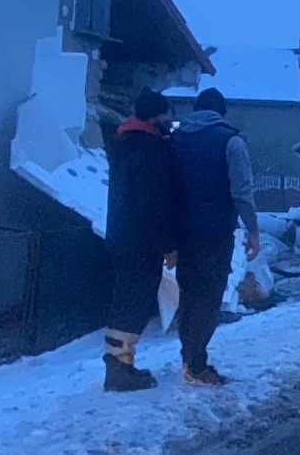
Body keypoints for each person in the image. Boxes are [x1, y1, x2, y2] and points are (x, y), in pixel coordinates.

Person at [170, 88, 261, 386]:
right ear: (221, 113)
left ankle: (189, 357)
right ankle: (196, 365)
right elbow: (242, 192)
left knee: (188, 295)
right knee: (209, 297)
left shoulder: (175, 139)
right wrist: (253, 229)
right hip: (215, 232)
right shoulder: (231, 141)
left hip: (181, 231)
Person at [103, 88, 176, 392]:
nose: (170, 121)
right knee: (136, 302)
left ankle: (120, 362)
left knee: (124, 299)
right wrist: (168, 244)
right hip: (142, 241)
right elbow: (154, 203)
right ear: (156, 117)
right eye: (167, 115)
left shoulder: (123, 144)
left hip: (121, 236)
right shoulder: (150, 150)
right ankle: (119, 370)